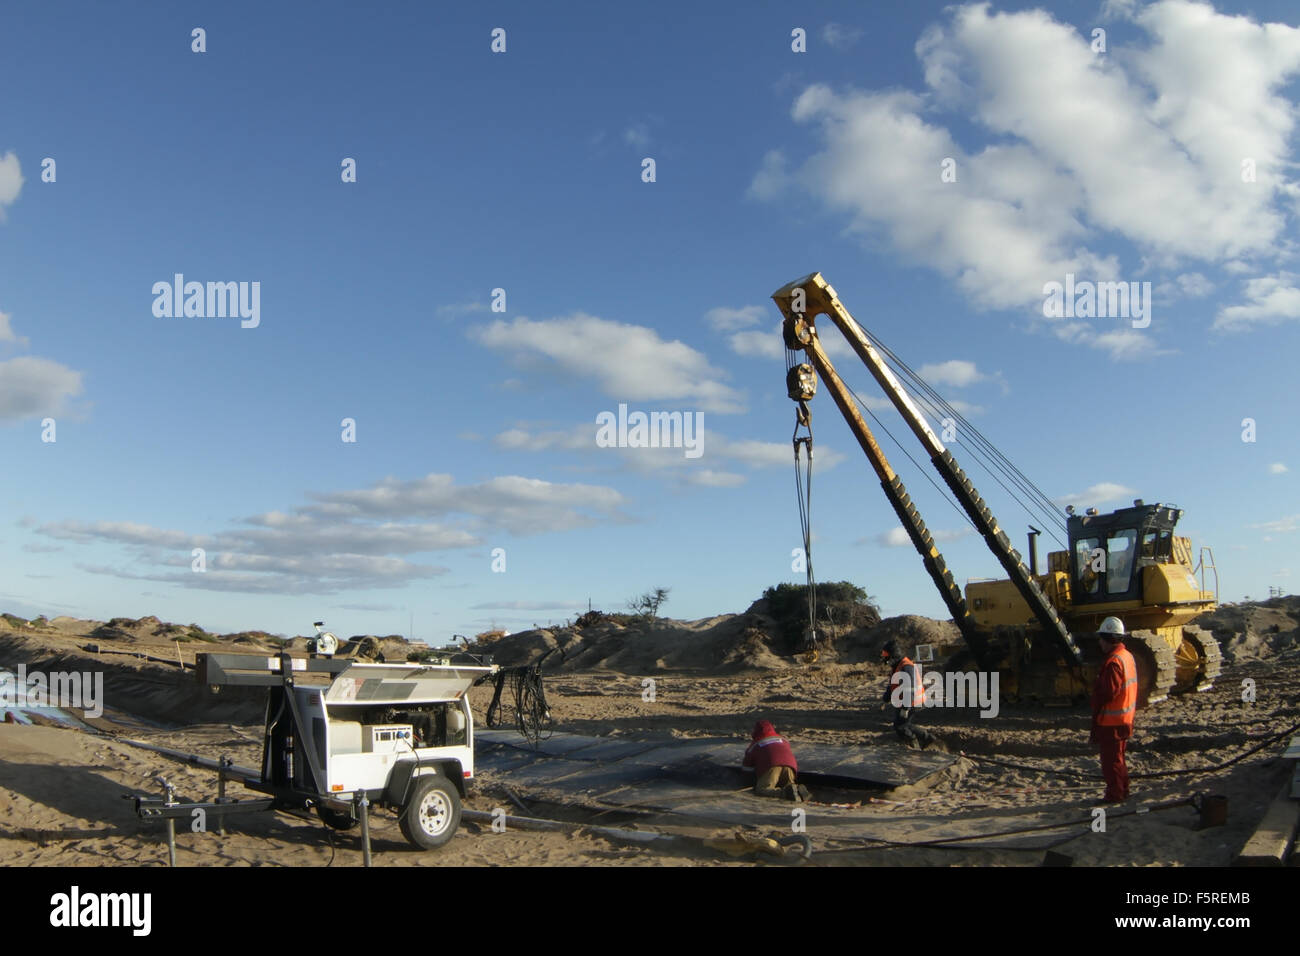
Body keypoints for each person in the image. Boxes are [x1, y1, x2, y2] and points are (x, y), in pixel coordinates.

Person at [1090, 616, 1137, 803]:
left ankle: (1115, 795)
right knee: (1118, 759)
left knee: (1111, 762)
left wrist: (1095, 697)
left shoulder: (1113, 662)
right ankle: (1123, 790)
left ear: (1109, 639)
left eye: (1101, 638)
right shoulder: (1126, 656)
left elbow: (1108, 692)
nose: (1099, 643)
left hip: (1112, 722)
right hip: (1124, 718)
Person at [881, 640, 934, 748]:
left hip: (913, 701)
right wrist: (886, 698)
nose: (884, 657)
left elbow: (910, 688)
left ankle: (919, 741)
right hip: (905, 701)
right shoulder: (897, 666)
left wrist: (906, 708)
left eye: (886, 654)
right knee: (902, 724)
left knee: (901, 726)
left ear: (893, 654)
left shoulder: (906, 666)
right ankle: (924, 739)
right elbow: (893, 684)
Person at [742, 720, 810, 802]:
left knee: (762, 790)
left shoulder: (755, 744)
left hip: (772, 766)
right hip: (790, 766)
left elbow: (746, 767)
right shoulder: (782, 739)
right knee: (789, 785)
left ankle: (784, 793)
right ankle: (797, 791)